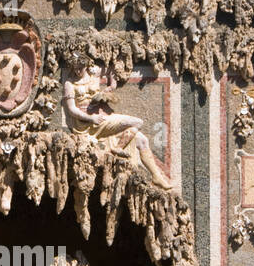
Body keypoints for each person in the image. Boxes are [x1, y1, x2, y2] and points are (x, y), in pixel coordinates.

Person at [61, 54, 173, 190]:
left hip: (102, 117)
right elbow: (72, 109)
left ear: (87, 66)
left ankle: (156, 176)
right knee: (137, 123)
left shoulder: (95, 73)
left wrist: (111, 87)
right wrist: (91, 118)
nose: (78, 71)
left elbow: (111, 70)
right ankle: (117, 149)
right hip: (88, 124)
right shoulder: (69, 83)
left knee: (141, 139)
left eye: (81, 68)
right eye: (75, 68)